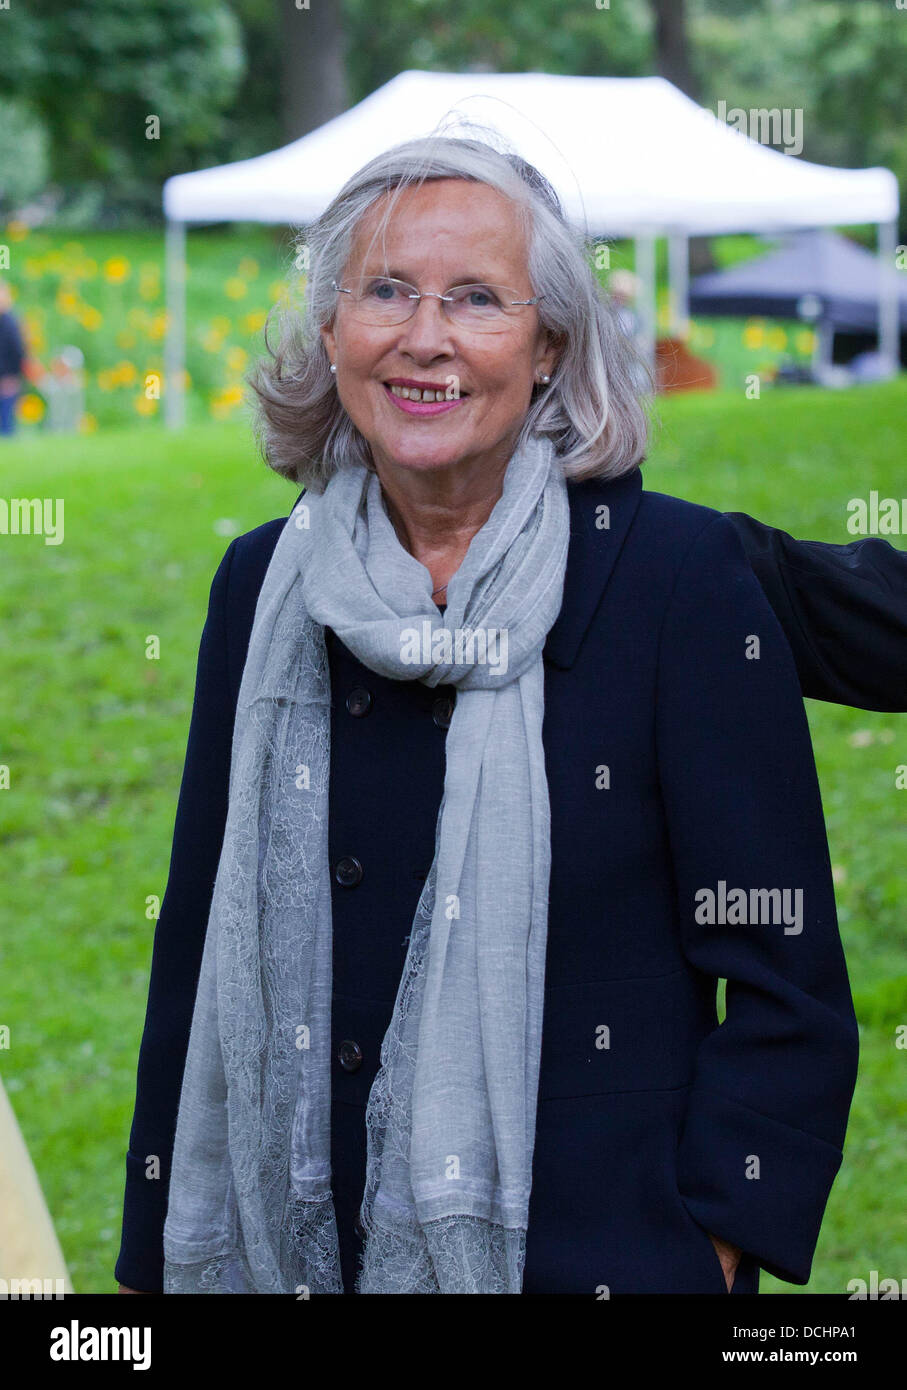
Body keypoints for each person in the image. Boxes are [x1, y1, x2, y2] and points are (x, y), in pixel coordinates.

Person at [116, 135, 866, 1296]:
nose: (426, 338)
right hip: (304, 1262)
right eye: (385, 292)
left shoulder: (674, 579)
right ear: (330, 333)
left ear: (549, 346)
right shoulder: (264, 583)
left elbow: (784, 977)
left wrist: (710, 1249)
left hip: (594, 1257)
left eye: (476, 299)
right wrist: (160, 1252)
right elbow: (197, 949)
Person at [0, 280, 25, 437]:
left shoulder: (9, 322)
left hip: (7, 379)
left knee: (6, 425)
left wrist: (12, 377)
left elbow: (18, 352)